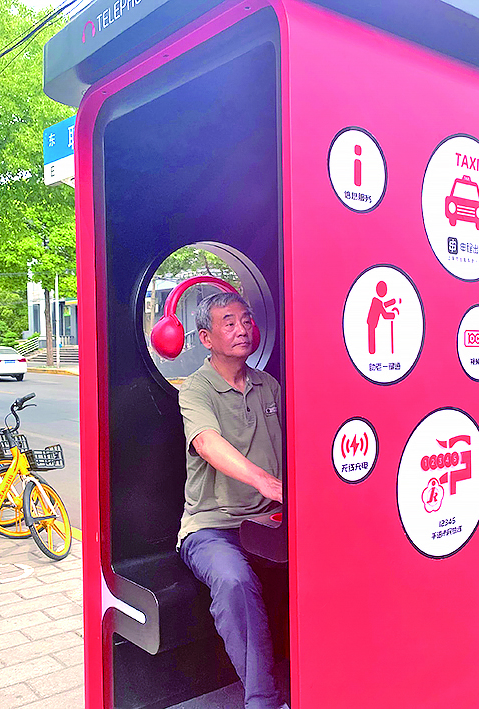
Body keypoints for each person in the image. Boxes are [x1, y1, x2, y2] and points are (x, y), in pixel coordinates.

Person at [177, 291, 288, 709]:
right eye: (228, 322)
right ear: (206, 337)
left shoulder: (268, 385)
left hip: (270, 521)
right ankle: (263, 701)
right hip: (212, 526)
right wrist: (266, 482)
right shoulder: (195, 390)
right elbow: (206, 442)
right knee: (234, 581)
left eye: (246, 319)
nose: (242, 329)